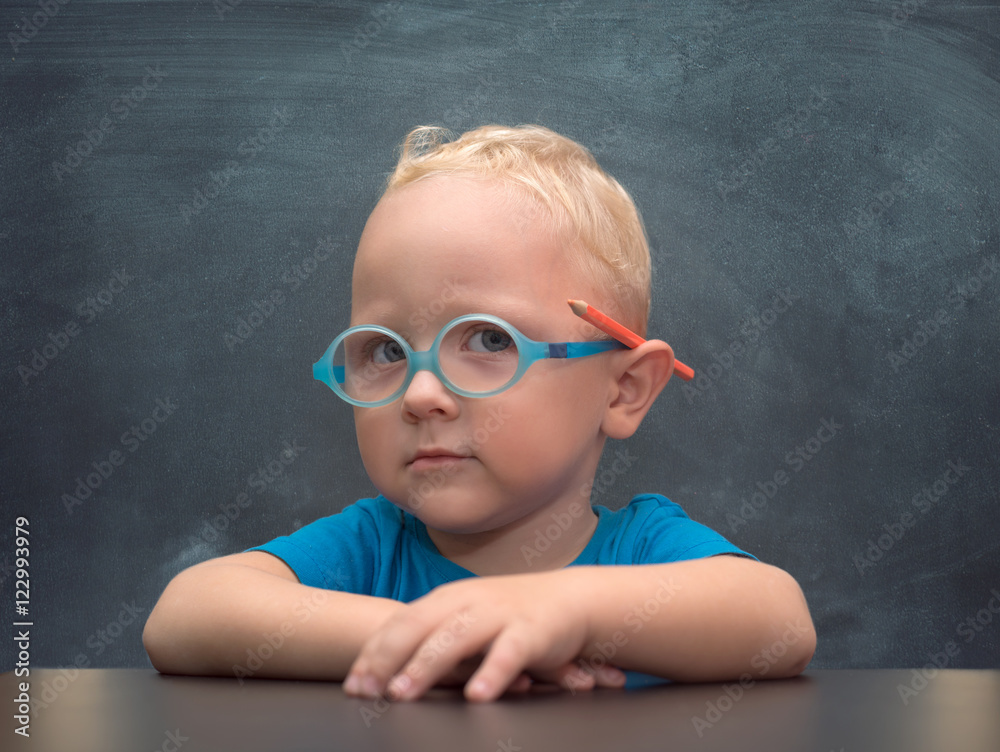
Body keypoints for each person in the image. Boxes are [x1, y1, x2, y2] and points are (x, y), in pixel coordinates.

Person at [143, 124, 815, 702]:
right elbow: (185, 615)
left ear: (623, 390)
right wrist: (426, 639)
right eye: (385, 349)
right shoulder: (374, 548)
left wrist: (568, 612)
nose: (419, 395)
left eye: (491, 340)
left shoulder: (642, 553)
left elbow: (780, 622)